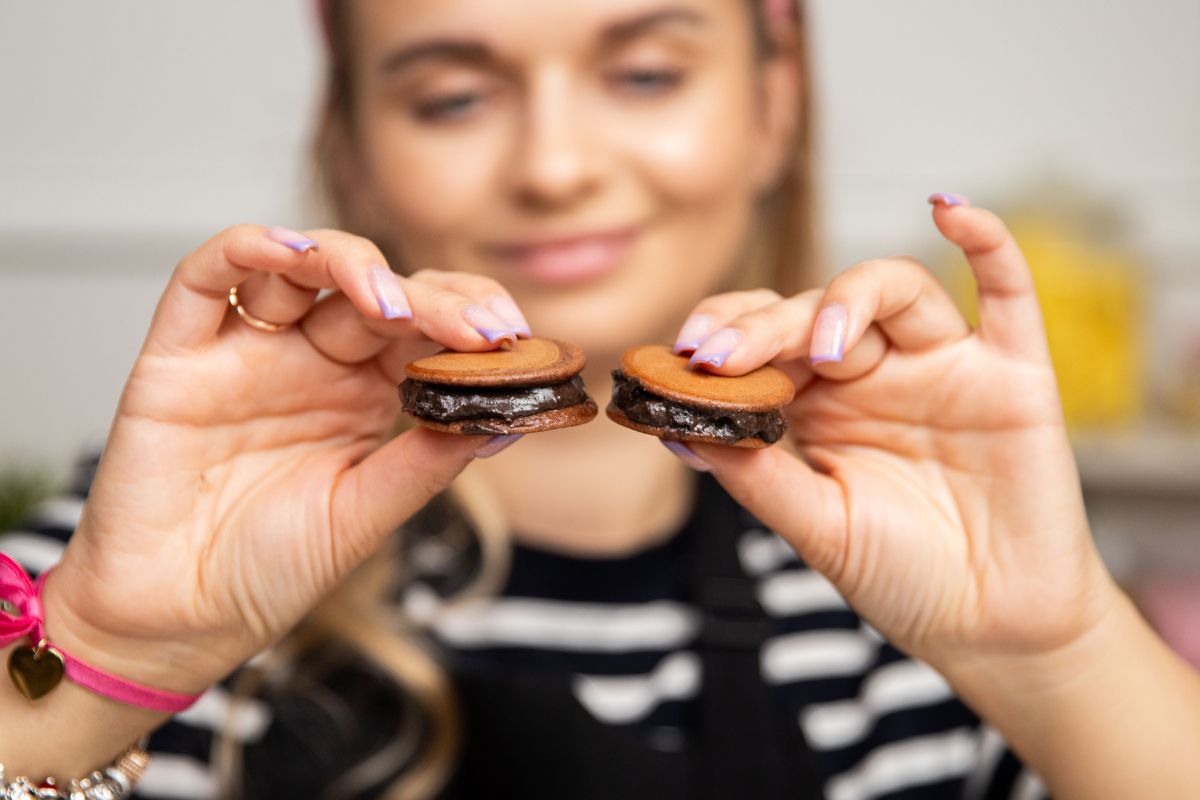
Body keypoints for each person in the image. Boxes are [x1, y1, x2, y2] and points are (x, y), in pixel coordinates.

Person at [2, 0, 1198, 798]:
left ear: (772, 102)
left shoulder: (923, 595)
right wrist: (113, 653)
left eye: (644, 71)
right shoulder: (156, 540)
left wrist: (1060, 653)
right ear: (356, 143)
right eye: (452, 96)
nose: (557, 166)